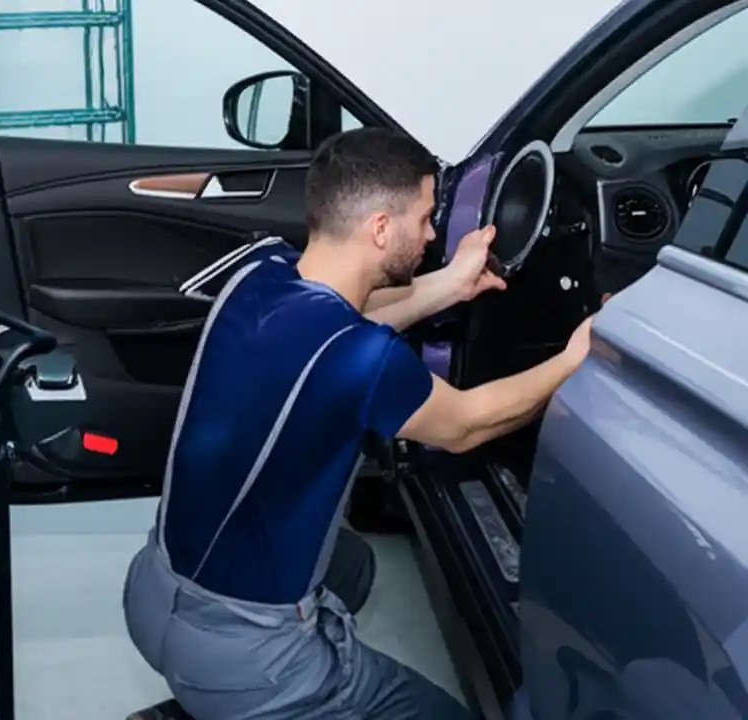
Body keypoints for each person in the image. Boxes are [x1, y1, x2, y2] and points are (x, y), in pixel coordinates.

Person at [121, 127, 595, 719]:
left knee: (352, 565)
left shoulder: (259, 273)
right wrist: (578, 356)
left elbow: (350, 313)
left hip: (152, 592)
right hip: (251, 659)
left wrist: (452, 285)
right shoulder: (362, 358)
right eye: (424, 220)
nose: (431, 236)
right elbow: (468, 424)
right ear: (379, 228)